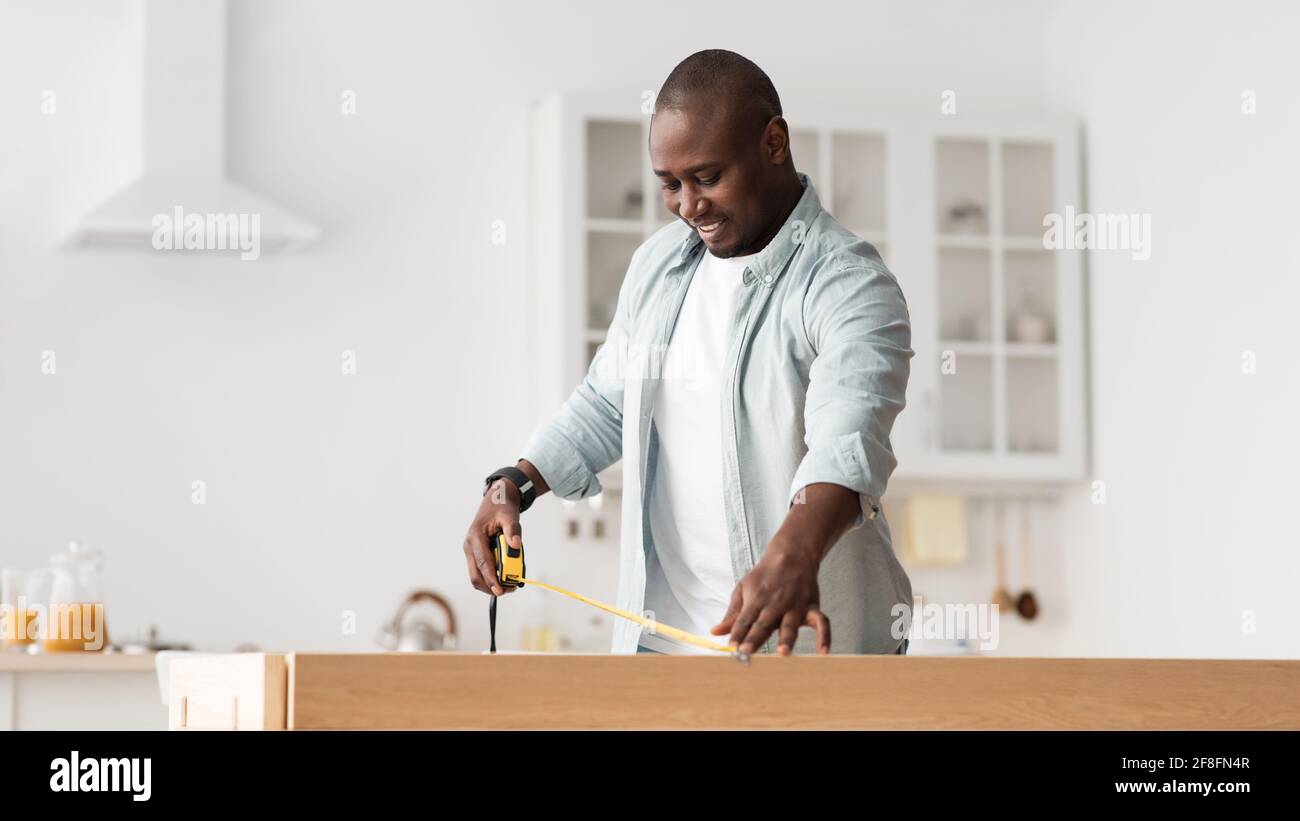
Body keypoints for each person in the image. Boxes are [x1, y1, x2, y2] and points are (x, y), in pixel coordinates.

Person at [465, 49, 913, 657]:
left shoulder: (847, 282)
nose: (688, 205)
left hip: (809, 653)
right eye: (670, 185)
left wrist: (792, 554)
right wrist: (514, 484)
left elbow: (848, 439)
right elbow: (606, 404)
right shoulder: (657, 266)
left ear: (774, 142)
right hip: (665, 650)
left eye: (707, 178)